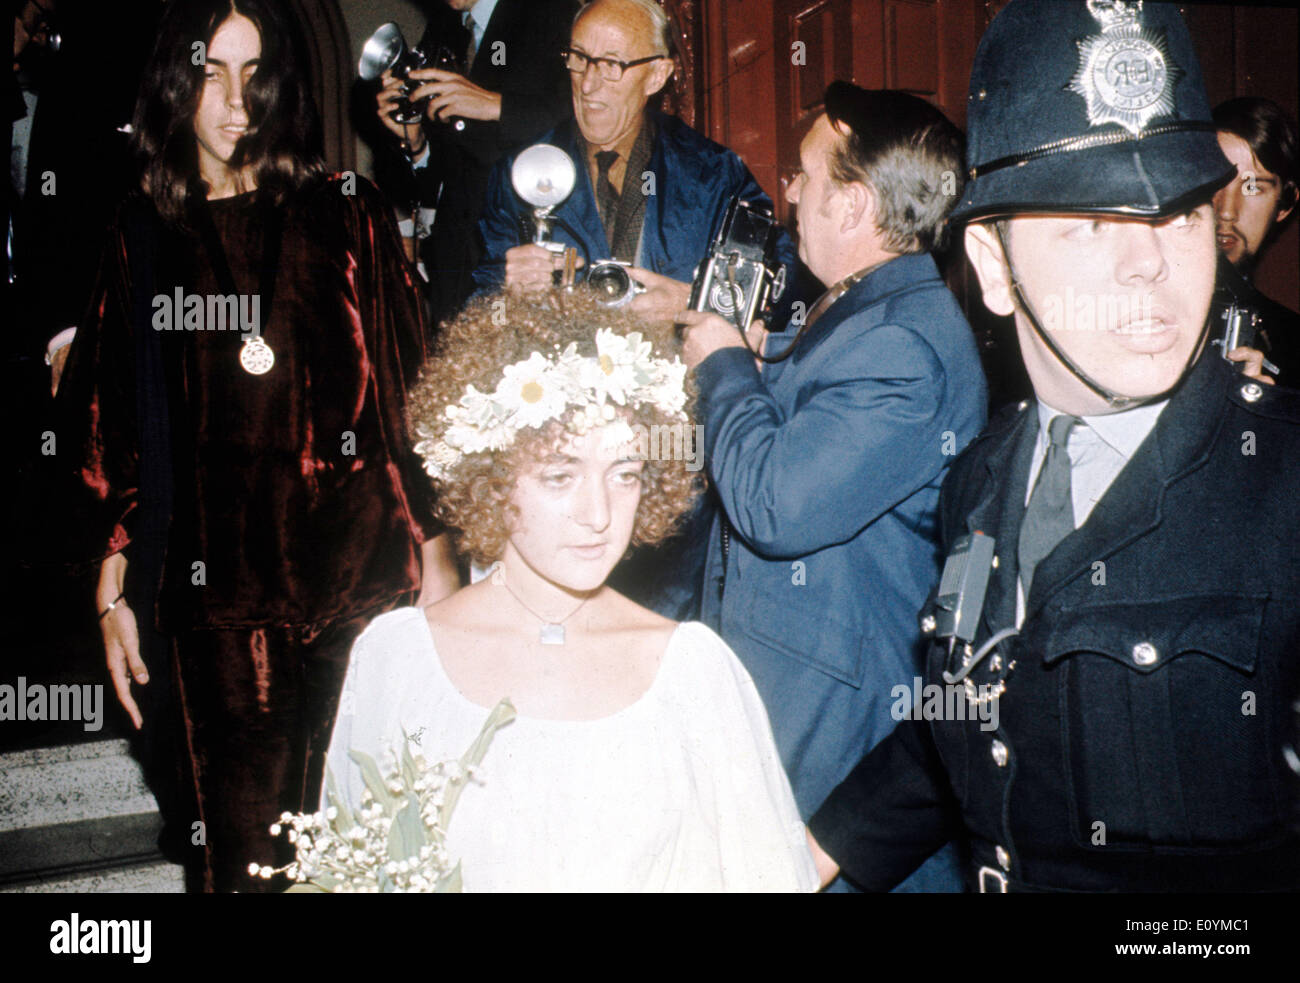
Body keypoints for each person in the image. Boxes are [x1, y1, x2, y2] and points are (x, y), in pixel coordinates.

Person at [806, 0, 1300, 892]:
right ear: (994, 268)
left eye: (1182, 215)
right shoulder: (981, 479)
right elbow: (982, 705)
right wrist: (804, 853)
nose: (1150, 262)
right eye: (1090, 224)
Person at [51, 0, 458, 892]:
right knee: (243, 868)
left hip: (361, 585)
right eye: (210, 74)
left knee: (378, 857)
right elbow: (106, 425)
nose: (236, 103)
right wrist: (112, 587)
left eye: (254, 75)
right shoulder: (143, 233)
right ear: (174, 83)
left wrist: (443, 561)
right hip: (220, 604)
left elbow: (410, 395)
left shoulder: (346, 215)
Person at [324, 291, 818, 892]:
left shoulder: (691, 672)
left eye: (625, 474)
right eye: (560, 476)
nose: (599, 514)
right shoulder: (399, 658)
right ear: (490, 476)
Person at [677, 82, 986, 892]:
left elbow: (774, 503)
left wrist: (720, 364)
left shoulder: (906, 346)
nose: (789, 191)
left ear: (852, 206)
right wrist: (752, 348)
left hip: (841, 739)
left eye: (805, 176)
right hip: (798, 705)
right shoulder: (862, 306)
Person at [475, 0, 803, 621]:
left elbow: (784, 294)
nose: (588, 82)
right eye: (577, 60)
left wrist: (693, 306)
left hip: (676, 471)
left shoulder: (717, 176)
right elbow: (474, 318)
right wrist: (505, 295)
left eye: (610, 65)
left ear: (657, 75)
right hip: (561, 467)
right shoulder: (520, 177)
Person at [371, 0, 577, 326]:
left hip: (525, 257)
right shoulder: (445, 31)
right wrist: (415, 142)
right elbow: (447, 170)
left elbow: (587, 113)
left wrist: (498, 106)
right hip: (455, 269)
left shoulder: (553, 12)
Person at [1210, 97, 1299, 382]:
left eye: (1252, 188)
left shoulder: (1292, 346)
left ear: (1284, 205)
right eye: (1216, 183)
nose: (1226, 211)